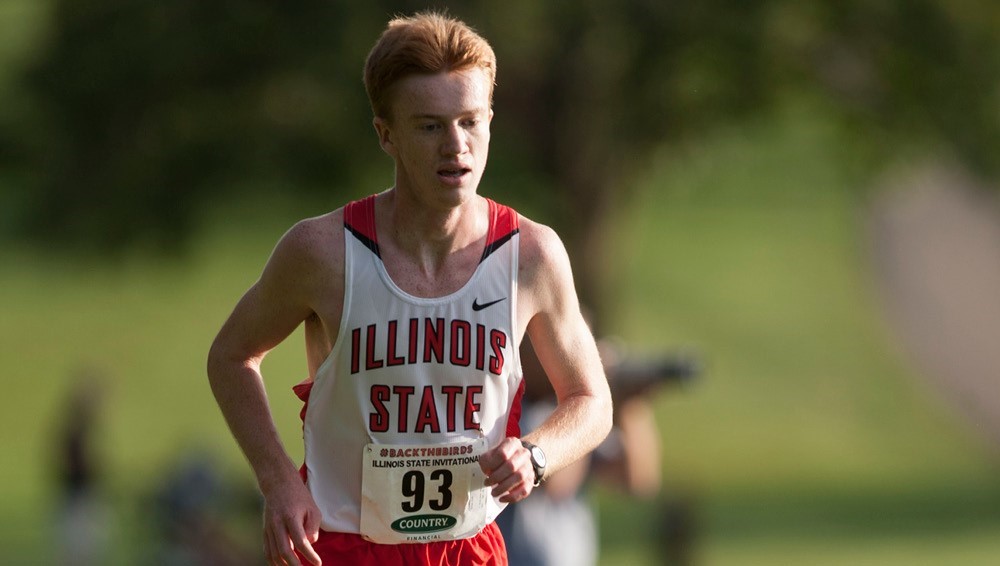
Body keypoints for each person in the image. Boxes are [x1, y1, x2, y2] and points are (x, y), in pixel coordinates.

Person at [206, 11, 613, 566]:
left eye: (470, 121)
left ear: (490, 120)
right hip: (344, 546)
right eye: (429, 126)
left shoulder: (532, 256)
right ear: (386, 134)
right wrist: (278, 481)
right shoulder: (323, 252)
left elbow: (592, 402)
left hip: (469, 549)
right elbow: (231, 356)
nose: (456, 146)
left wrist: (538, 455)